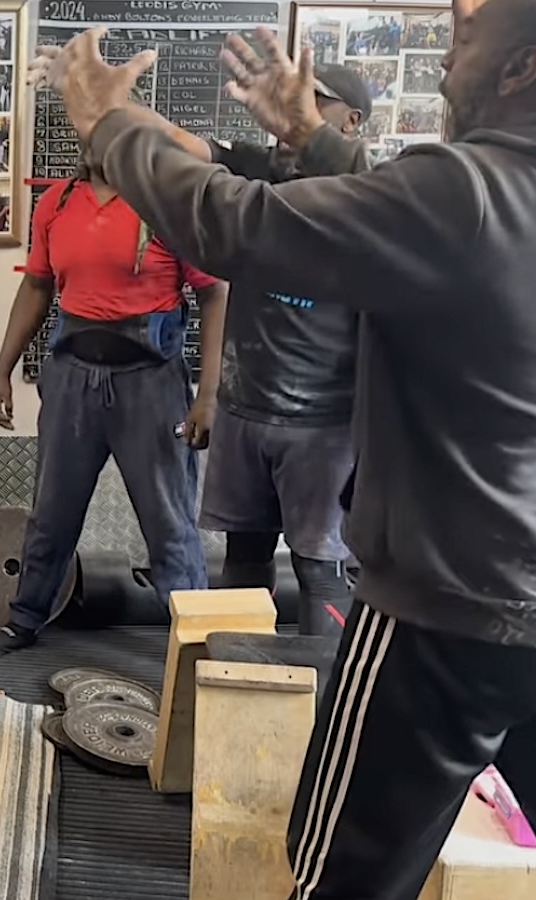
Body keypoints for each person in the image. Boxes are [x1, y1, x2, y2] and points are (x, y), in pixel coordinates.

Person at [44, 0, 536, 895]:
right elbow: (448, 229)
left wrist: (108, 125)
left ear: (521, 68)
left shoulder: (467, 190)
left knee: (340, 876)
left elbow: (238, 228)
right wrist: (315, 139)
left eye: (469, 34)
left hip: (447, 620)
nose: (453, 41)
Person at [0, 156, 227, 660]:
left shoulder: (168, 202)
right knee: (52, 512)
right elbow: (38, 286)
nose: (95, 139)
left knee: (169, 522)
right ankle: (24, 621)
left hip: (150, 384)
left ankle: (197, 646)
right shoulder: (57, 202)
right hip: (72, 382)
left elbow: (215, 293)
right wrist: (2, 369)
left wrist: (208, 394)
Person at [169, 43, 373, 635]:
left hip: (324, 427)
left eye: (310, 105)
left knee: (321, 571)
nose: (290, 117)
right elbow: (185, 147)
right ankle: (240, 704)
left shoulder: (378, 198)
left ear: (350, 122)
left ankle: (323, 713)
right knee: (243, 567)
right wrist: (105, 110)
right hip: (246, 411)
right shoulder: (261, 167)